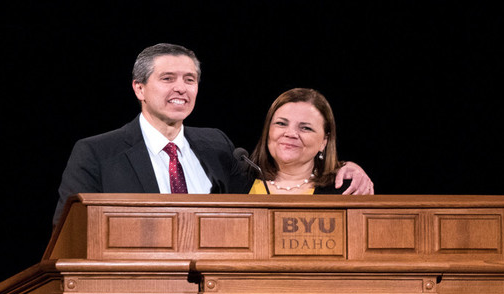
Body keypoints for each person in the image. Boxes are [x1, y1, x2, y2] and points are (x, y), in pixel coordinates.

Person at [53, 43, 373, 224]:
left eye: (189, 79)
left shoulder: (217, 146)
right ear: (139, 87)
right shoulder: (97, 153)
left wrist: (344, 167)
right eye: (168, 78)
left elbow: (285, 172)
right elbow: (68, 234)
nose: (181, 87)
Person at [246, 88, 352, 195]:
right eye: (281, 123)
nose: (290, 134)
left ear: (325, 141)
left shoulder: (347, 191)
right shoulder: (236, 181)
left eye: (305, 128)